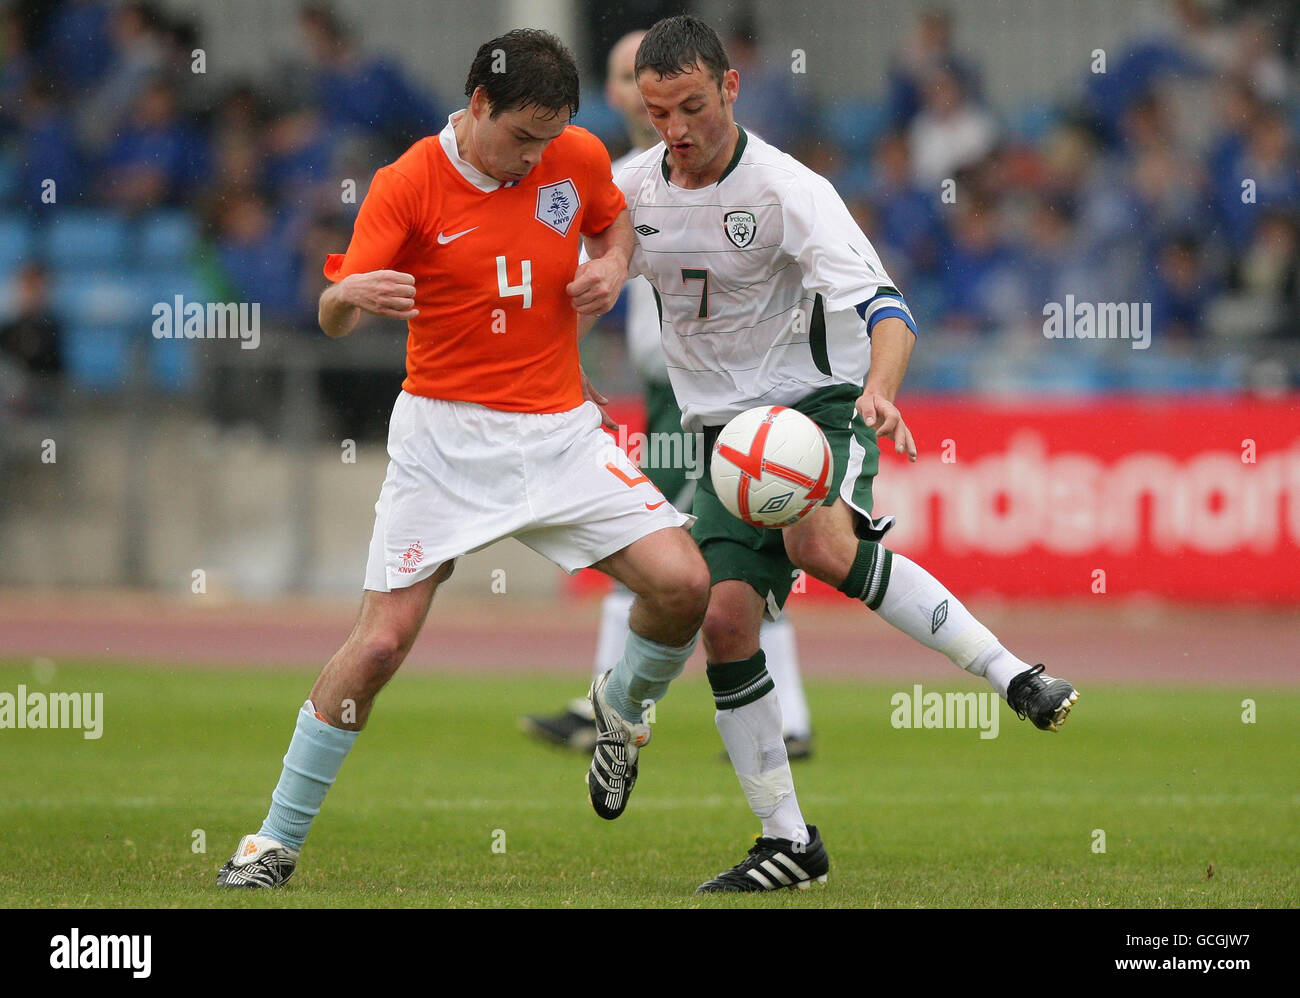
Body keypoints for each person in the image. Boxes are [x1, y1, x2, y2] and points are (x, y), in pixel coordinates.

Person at [216, 28, 710, 888]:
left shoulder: (573, 154)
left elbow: (614, 221)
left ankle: (620, 709)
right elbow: (333, 313)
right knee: (379, 647)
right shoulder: (407, 183)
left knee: (685, 586)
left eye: (548, 138)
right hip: (443, 443)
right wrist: (345, 293)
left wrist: (613, 264)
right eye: (521, 137)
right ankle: (273, 842)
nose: (534, 157)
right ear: (478, 103)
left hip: (558, 432)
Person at [616, 15, 1079, 893]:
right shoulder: (630, 188)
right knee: (723, 621)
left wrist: (881, 392)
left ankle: (1012, 673)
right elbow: (559, 255)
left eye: (691, 107)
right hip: (724, 437)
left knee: (818, 543)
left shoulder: (791, 190)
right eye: (657, 113)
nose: (675, 130)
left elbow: (888, 309)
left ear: (731, 88)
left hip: (813, 408)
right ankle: (788, 842)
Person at [520, 30, 815, 760]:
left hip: (710, 398)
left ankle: (614, 707)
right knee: (709, 548)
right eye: (626, 78)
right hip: (666, 395)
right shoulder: (622, 182)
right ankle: (768, 716)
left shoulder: (719, 175)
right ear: (617, 93)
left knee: (672, 544)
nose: (639, 94)